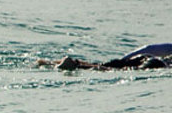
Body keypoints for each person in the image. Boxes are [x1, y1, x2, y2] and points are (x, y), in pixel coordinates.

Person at [40, 43, 172, 71]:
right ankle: (74, 65)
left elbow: (148, 48)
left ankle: (49, 63)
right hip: (154, 63)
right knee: (113, 70)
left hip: (144, 57)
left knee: (106, 66)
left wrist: (123, 59)